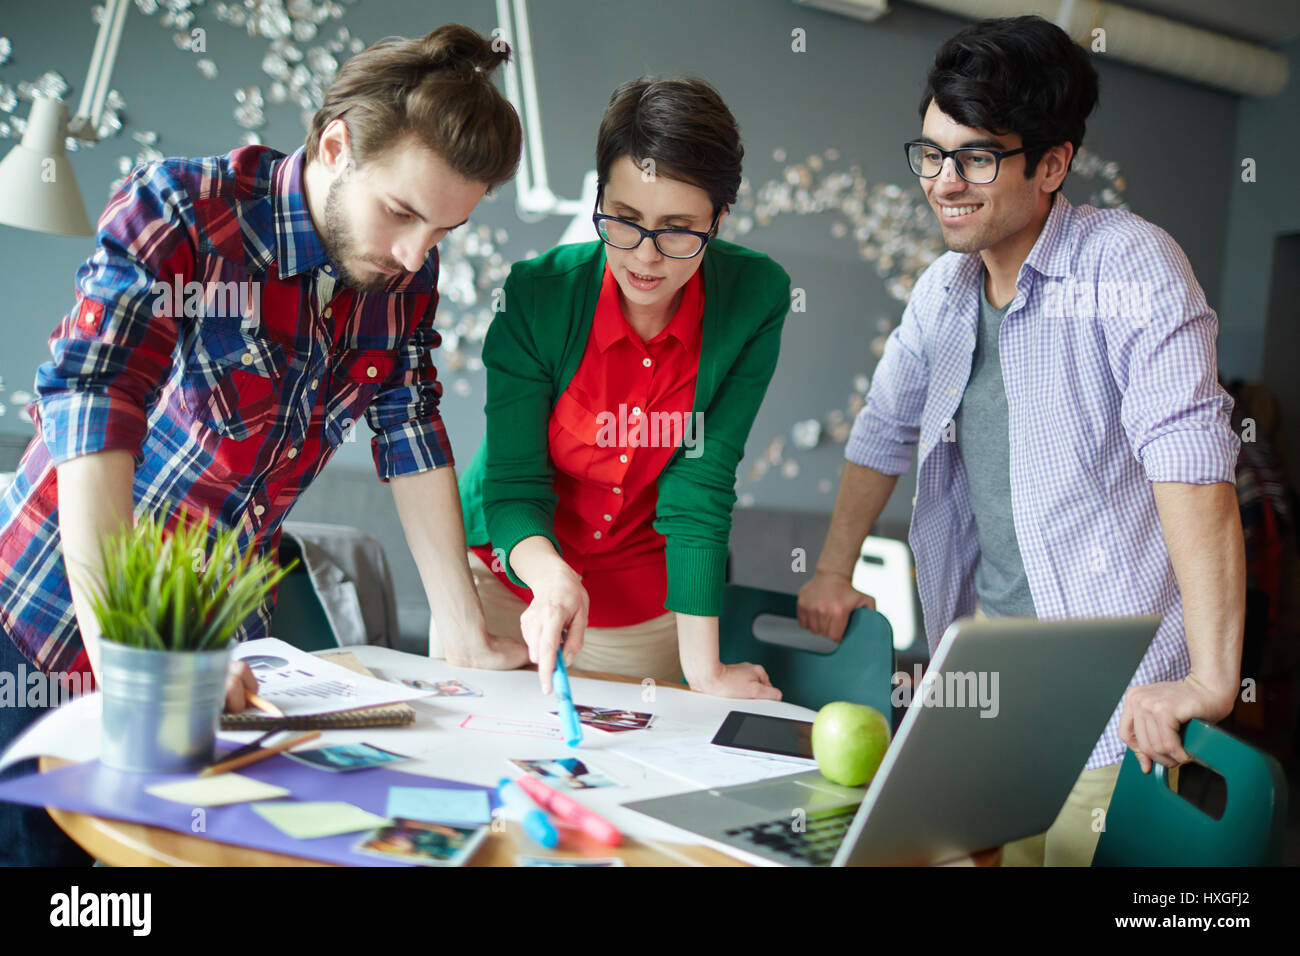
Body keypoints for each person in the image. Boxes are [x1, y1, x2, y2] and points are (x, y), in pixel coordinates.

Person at [0, 24, 521, 866]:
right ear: (336, 145)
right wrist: (138, 663)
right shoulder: (184, 213)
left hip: (212, 647)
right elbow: (94, 401)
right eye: (402, 212)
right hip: (51, 626)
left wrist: (460, 625)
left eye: (443, 232)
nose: (416, 255)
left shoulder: (401, 274)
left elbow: (408, 417)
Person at [797, 16, 1244, 866]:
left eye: (975, 157)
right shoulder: (942, 291)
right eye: (930, 153)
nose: (943, 182)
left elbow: (1193, 465)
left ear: (1051, 163)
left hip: (1116, 706)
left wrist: (1212, 678)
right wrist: (830, 569)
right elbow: (883, 430)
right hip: (987, 693)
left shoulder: (1129, 266)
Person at [447, 77, 791, 699]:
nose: (645, 257)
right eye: (624, 219)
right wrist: (551, 577)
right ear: (600, 195)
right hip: (507, 574)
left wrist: (705, 673)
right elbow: (516, 483)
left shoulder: (756, 298)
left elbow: (700, 483)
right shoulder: (536, 295)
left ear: (719, 218)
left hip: (643, 599)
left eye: (679, 228)